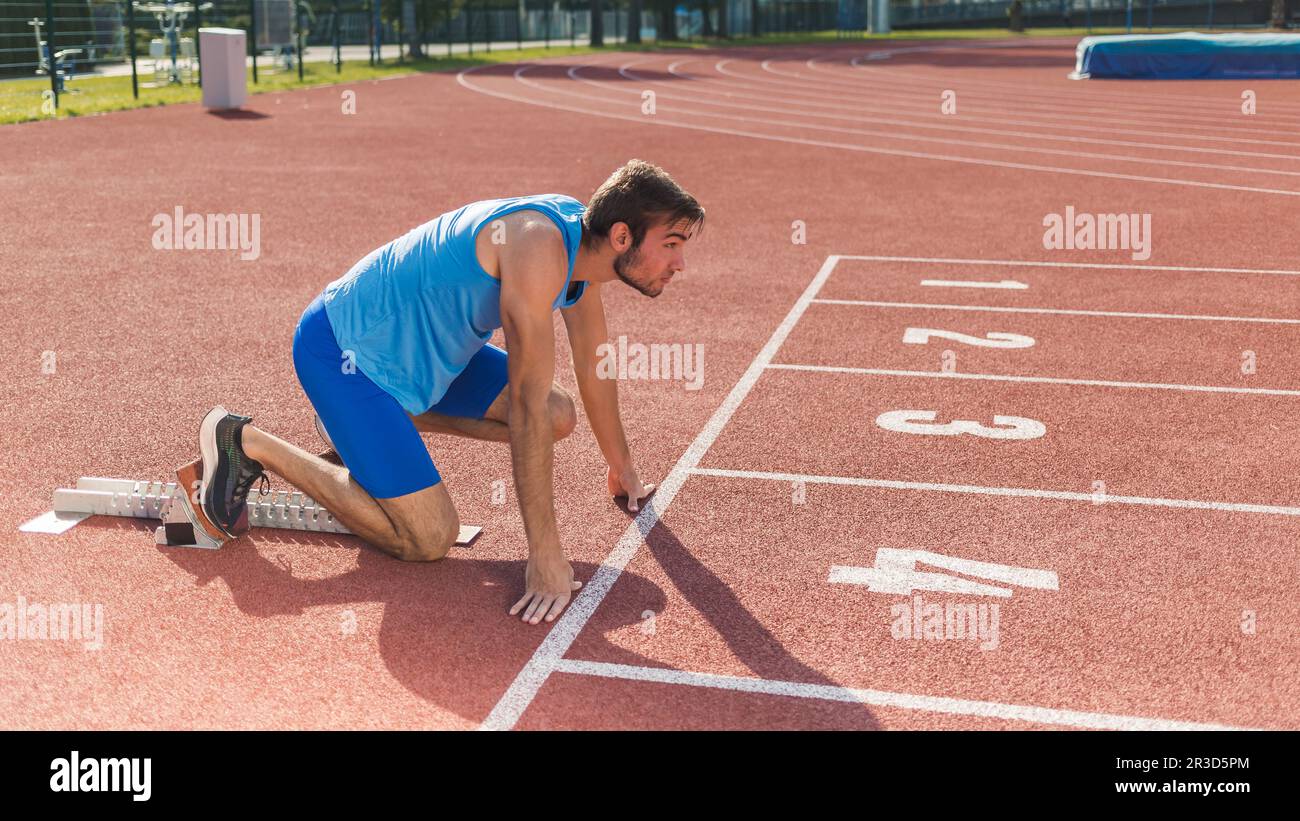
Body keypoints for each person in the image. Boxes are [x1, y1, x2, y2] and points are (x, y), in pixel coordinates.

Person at [196, 159, 705, 625]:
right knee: (427, 538)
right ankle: (245, 441)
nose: (679, 264)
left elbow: (593, 365)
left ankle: (359, 426)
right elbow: (523, 405)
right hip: (346, 350)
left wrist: (623, 465)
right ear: (622, 236)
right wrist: (544, 553)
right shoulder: (537, 247)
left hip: (426, 357)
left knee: (558, 414)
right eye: (672, 244)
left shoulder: (582, 248)